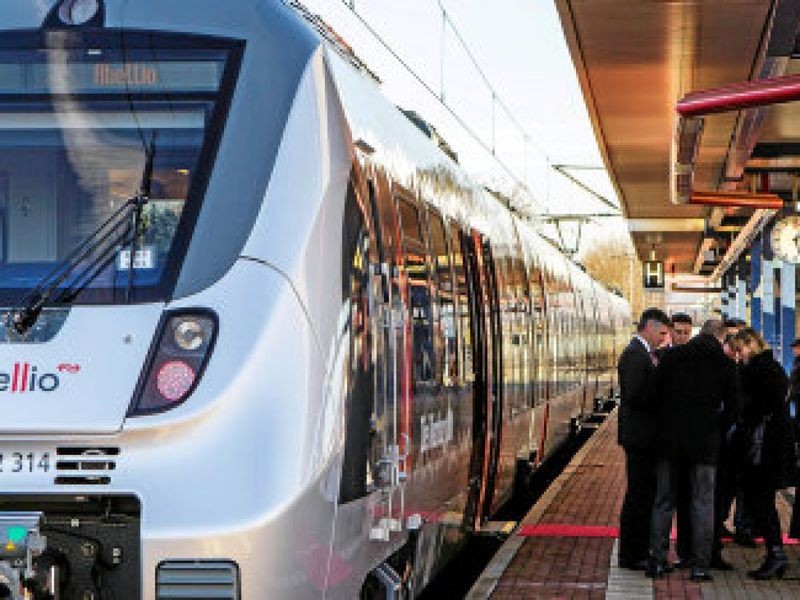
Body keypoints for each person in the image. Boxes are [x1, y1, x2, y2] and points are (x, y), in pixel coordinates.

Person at [647, 319, 741, 581]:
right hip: (705, 445)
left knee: (664, 501)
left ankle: (657, 560)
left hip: (669, 442)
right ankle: (700, 566)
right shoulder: (724, 364)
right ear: (720, 339)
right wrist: (715, 428)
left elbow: (654, 395)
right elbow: (735, 408)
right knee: (703, 504)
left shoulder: (672, 356)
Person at [735, 328, 796, 579]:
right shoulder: (774, 368)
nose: (738, 355)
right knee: (762, 501)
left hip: (763, 450)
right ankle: (775, 553)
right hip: (773, 447)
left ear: (752, 344)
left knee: (761, 501)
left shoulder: (759, 371)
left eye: (740, 349)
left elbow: (752, 408)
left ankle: (776, 553)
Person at [617, 307, 671, 570]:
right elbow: (635, 396)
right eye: (661, 333)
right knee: (639, 496)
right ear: (648, 327)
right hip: (640, 437)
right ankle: (632, 554)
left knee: (642, 495)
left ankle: (636, 551)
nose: (663, 339)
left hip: (640, 436)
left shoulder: (642, 354)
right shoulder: (636, 356)